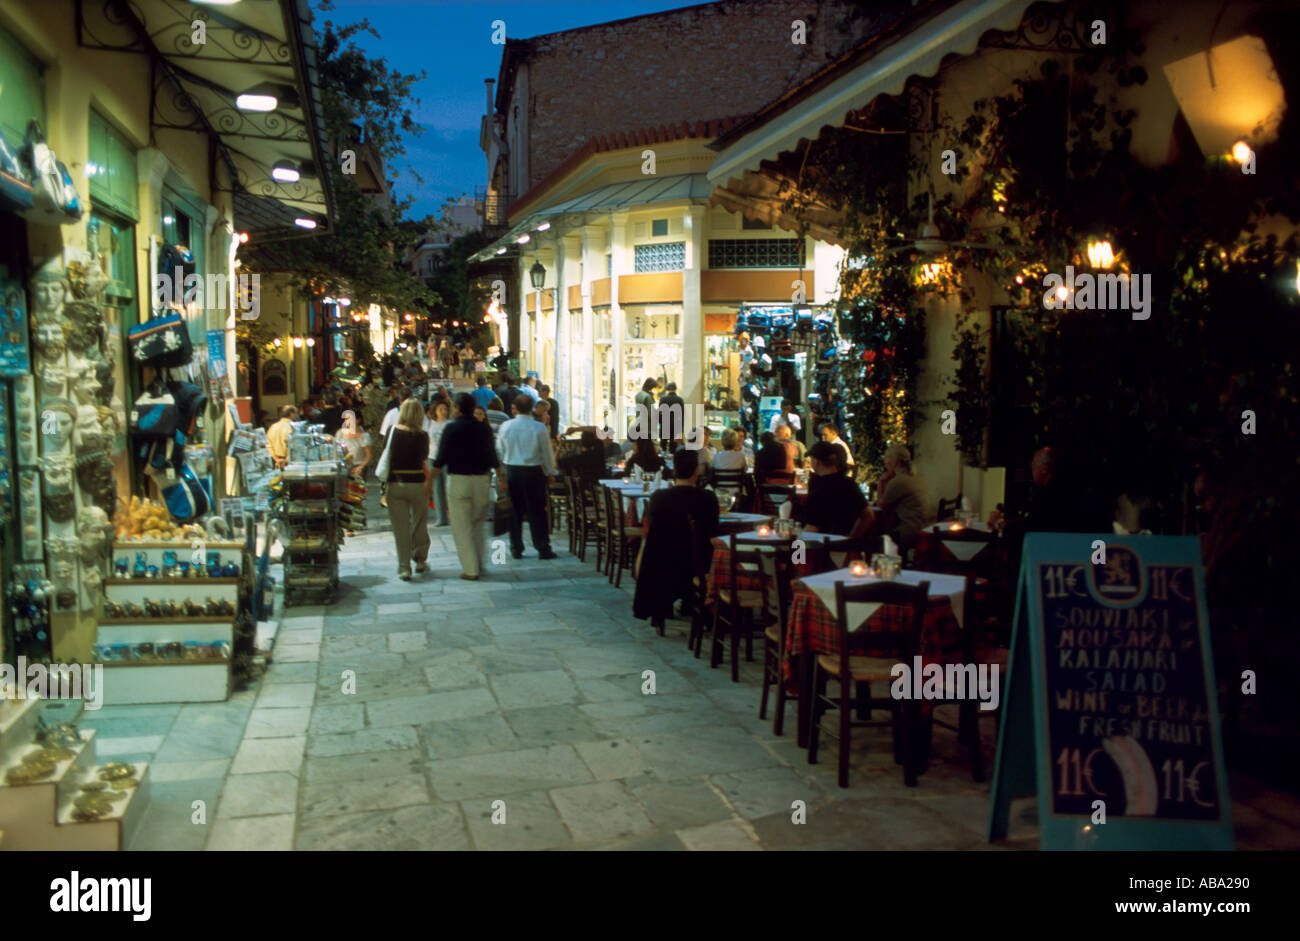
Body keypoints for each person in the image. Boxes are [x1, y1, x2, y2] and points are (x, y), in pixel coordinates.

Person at [632, 446, 719, 627]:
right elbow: (713, 531)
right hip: (697, 563)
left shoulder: (658, 498)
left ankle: (661, 608)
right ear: (696, 470)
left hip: (664, 563)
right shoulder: (708, 499)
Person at [430, 394, 499, 580]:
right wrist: (502, 477)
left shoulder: (451, 428)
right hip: (482, 481)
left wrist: (429, 481)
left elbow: (441, 457)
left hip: (459, 480)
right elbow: (492, 455)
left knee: (462, 527)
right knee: (477, 525)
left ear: (458, 408)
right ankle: (478, 563)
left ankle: (471, 569)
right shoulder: (483, 428)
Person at [497, 394, 559, 559]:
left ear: (515, 408)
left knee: (515, 511)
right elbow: (546, 453)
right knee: (537, 511)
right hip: (533, 472)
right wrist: (549, 472)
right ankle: (542, 547)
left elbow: (500, 450)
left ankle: (516, 548)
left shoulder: (506, 426)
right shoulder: (538, 428)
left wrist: (502, 472)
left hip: (513, 471)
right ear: (531, 408)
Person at [383, 398, 431, 581]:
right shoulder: (422, 435)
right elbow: (424, 456)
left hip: (396, 483)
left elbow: (387, 455)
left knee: (400, 528)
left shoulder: (392, 432)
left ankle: (404, 567)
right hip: (418, 482)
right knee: (419, 522)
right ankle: (419, 559)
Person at [800, 441, 871, 536]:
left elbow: (812, 529)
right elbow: (868, 516)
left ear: (816, 462)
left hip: (823, 547)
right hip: (846, 545)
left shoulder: (818, 491)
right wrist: (851, 539)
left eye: (811, 459)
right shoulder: (849, 484)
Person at [875, 444, 936, 552]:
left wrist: (882, 481)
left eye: (887, 458)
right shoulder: (918, 476)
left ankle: (882, 564)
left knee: (877, 539)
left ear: (896, 462)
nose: (885, 462)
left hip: (912, 532)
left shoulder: (898, 481)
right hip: (928, 528)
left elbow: (880, 505)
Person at [424, 400, 452, 527]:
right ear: (435, 411)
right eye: (440, 409)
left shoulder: (450, 424)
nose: (443, 412)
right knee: (437, 488)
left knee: (449, 487)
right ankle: (441, 518)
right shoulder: (429, 424)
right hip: (432, 458)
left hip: (448, 458)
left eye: (445, 409)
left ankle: (452, 514)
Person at [337, 410, 372, 478]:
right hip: (343, 466)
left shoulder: (364, 436)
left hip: (357, 466)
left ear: (357, 420)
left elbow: (369, 455)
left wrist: (361, 467)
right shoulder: (340, 433)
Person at [657, 381, 685, 450]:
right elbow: (682, 415)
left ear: (667, 389)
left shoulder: (663, 399)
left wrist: (660, 422)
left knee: (663, 444)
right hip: (676, 426)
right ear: (675, 389)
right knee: (674, 446)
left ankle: (663, 458)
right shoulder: (679, 399)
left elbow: (660, 413)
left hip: (665, 425)